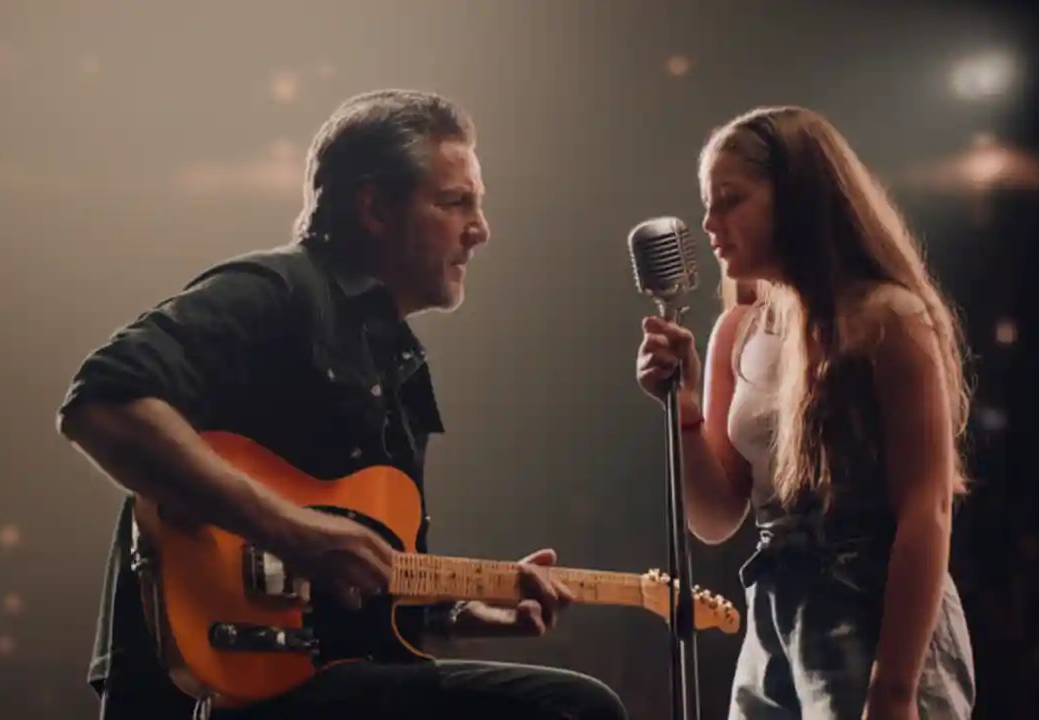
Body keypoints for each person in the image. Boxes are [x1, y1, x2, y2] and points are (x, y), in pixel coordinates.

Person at [57, 89, 628, 720]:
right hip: (213, 684)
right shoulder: (273, 291)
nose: (480, 230)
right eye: (454, 202)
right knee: (573, 710)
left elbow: (352, 581)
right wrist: (291, 531)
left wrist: (458, 613)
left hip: (320, 673)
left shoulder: (397, 357)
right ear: (375, 208)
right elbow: (102, 400)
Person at [635, 106, 976, 719]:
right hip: (774, 616)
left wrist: (894, 688)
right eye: (707, 204)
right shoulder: (736, 332)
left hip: (874, 612)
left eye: (730, 200)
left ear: (796, 197)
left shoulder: (889, 319)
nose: (709, 223)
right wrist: (684, 410)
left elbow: (927, 509)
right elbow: (714, 519)